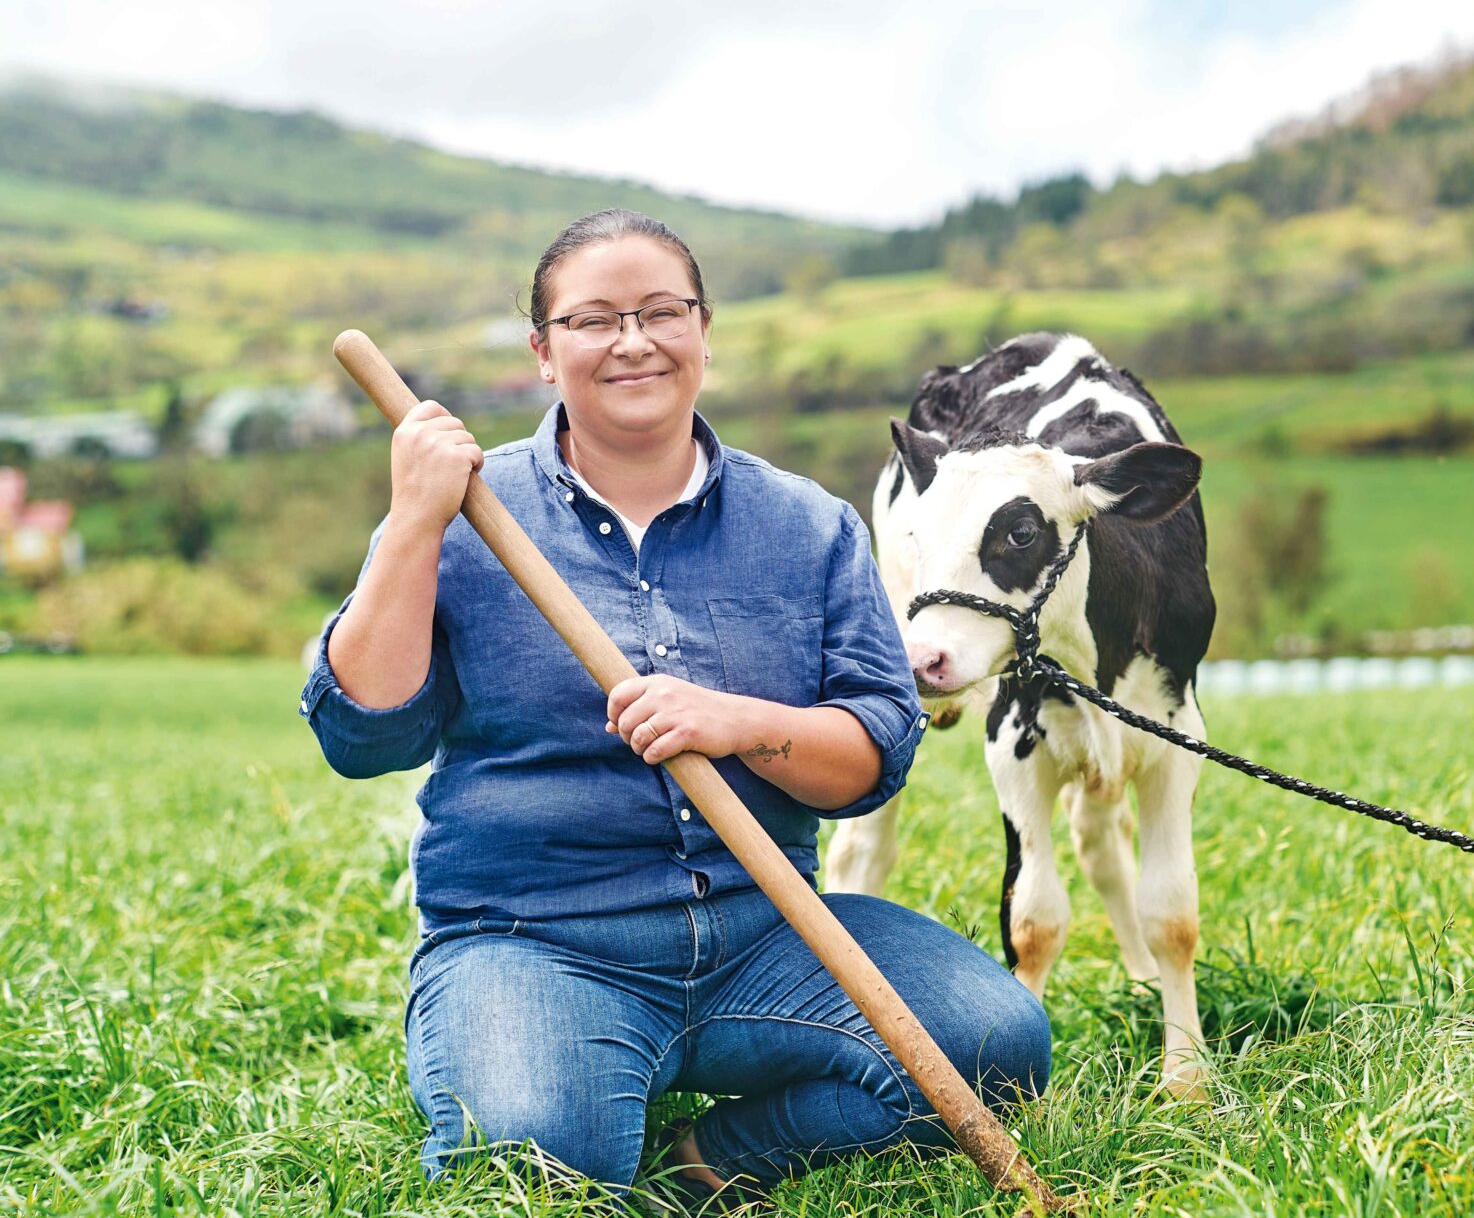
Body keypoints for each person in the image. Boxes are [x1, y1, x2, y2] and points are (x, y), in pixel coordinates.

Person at [299, 209, 1051, 1210]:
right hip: (536, 938)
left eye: (661, 311)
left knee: (997, 1047)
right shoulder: (465, 513)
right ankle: (557, 1070)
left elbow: (874, 756)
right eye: (593, 320)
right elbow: (363, 735)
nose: (633, 341)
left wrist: (735, 723)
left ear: (704, 330)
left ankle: (716, 1160)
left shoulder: (807, 528)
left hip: (764, 930)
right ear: (543, 350)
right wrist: (410, 523)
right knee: (539, 1159)